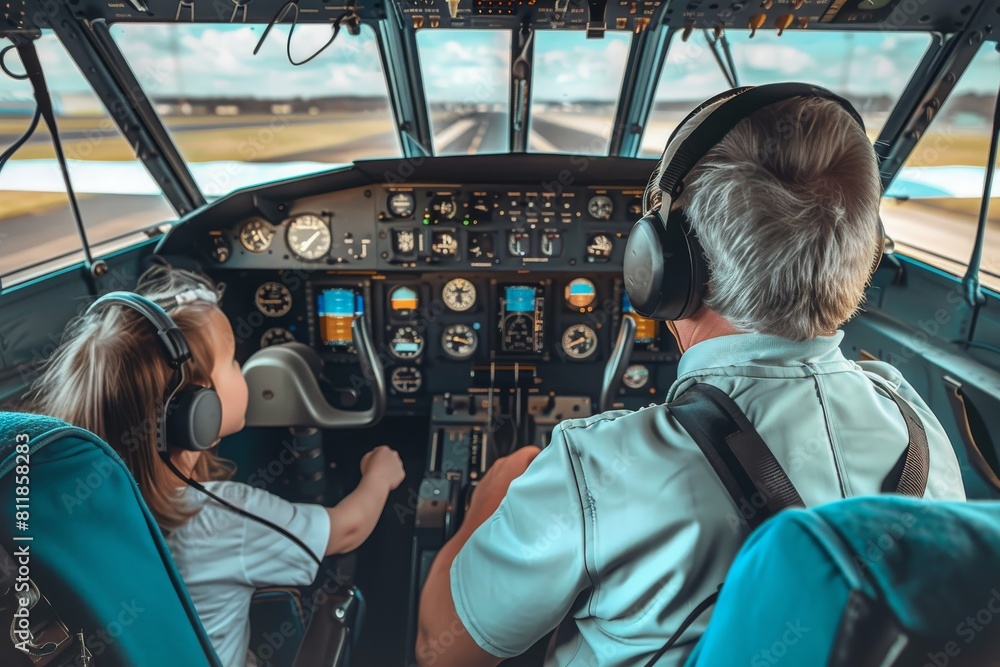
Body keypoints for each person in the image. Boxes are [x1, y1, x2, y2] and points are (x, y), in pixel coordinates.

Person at [416, 90, 967, 666]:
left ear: (663, 266)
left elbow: (441, 652)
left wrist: (487, 500)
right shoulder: (917, 426)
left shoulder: (596, 471)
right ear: (864, 253)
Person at [28, 262, 405, 667]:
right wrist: (379, 477)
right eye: (233, 361)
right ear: (196, 409)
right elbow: (346, 531)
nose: (242, 369)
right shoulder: (220, 515)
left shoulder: (64, 510)